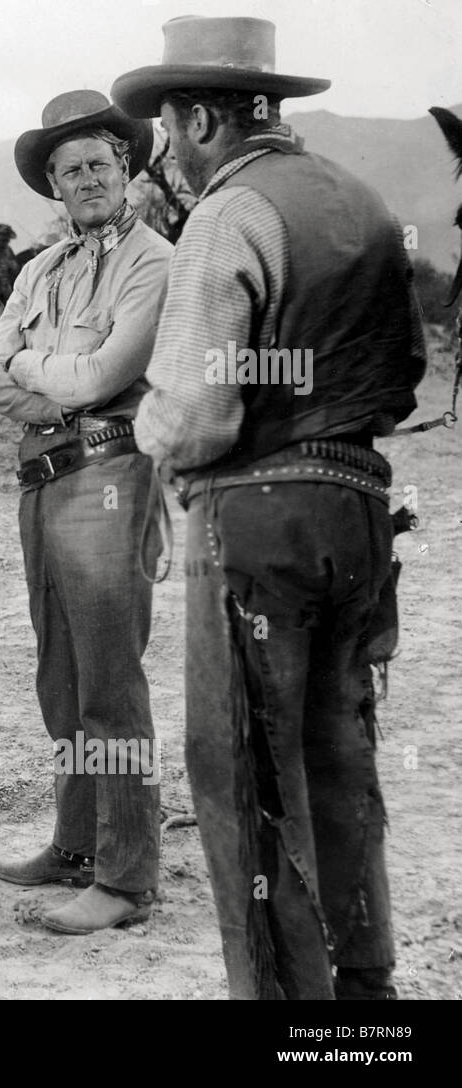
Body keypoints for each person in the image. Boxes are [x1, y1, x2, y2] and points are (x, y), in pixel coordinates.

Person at [113, 14, 426, 998]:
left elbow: (200, 412)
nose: (165, 152)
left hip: (253, 522)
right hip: (359, 516)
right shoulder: (366, 203)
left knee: (242, 773)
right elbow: (407, 373)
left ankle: (282, 1009)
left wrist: (142, 429)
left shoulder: (227, 213)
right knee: (340, 753)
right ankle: (363, 993)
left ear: (202, 116)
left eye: (168, 129)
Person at [0, 90, 171, 933]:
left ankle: (126, 878)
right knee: (58, 675)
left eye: (99, 162)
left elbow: (103, 381)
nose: (86, 178)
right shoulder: (36, 270)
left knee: (110, 679)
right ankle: (74, 842)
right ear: (52, 187)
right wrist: (60, 372)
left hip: (111, 478)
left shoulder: (155, 262)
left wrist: (37, 365)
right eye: (69, 169)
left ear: (126, 168)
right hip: (41, 481)